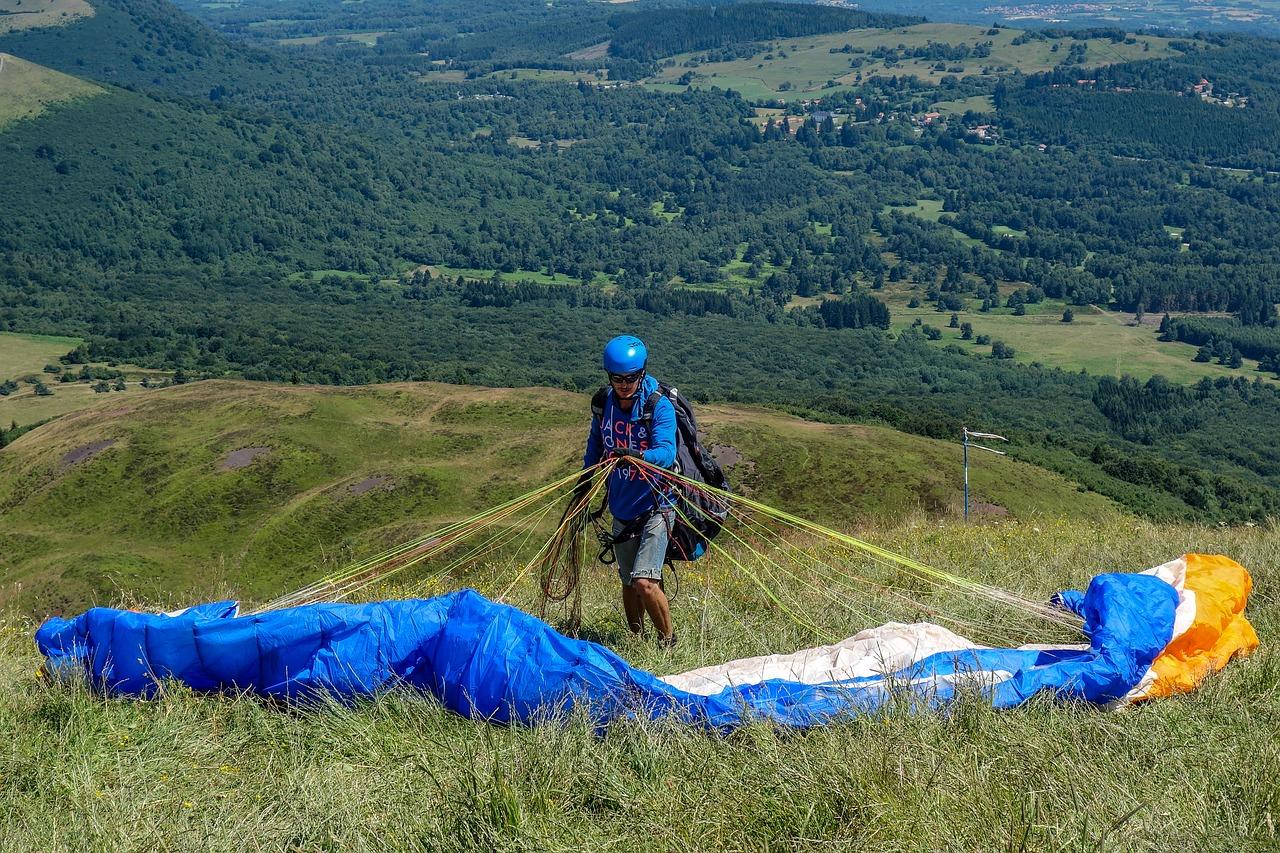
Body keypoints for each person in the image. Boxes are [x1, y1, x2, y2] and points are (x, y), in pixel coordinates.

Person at [582, 335, 678, 646]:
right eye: (617, 378)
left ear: (642, 373)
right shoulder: (603, 405)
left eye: (631, 378)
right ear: (608, 376)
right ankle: (636, 641)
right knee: (628, 582)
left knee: (644, 581)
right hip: (621, 507)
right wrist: (585, 480)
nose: (624, 385)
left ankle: (668, 642)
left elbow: (667, 451)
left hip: (656, 505)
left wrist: (640, 457)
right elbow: (595, 444)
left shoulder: (658, 407)